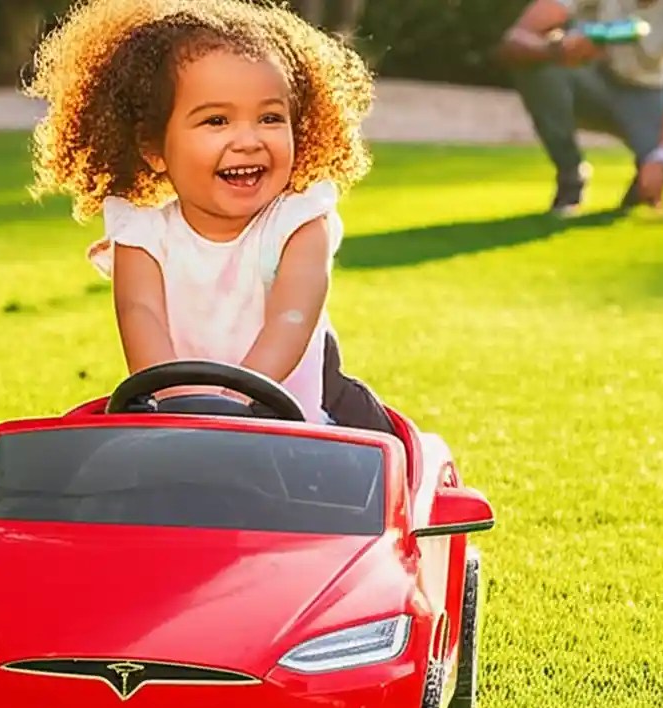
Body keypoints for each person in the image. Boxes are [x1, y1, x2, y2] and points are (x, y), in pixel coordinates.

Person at [22, 0, 393, 432]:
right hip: (182, 427)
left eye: (271, 118)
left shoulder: (299, 223)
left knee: (374, 451)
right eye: (217, 120)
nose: (249, 140)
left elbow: (289, 320)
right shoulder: (142, 236)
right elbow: (141, 318)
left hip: (298, 437)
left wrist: (235, 405)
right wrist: (185, 412)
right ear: (153, 148)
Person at [498, 0, 663, 216]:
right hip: (590, 77)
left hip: (650, 92)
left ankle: (643, 186)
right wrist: (557, 50)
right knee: (538, 68)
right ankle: (570, 175)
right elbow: (515, 39)